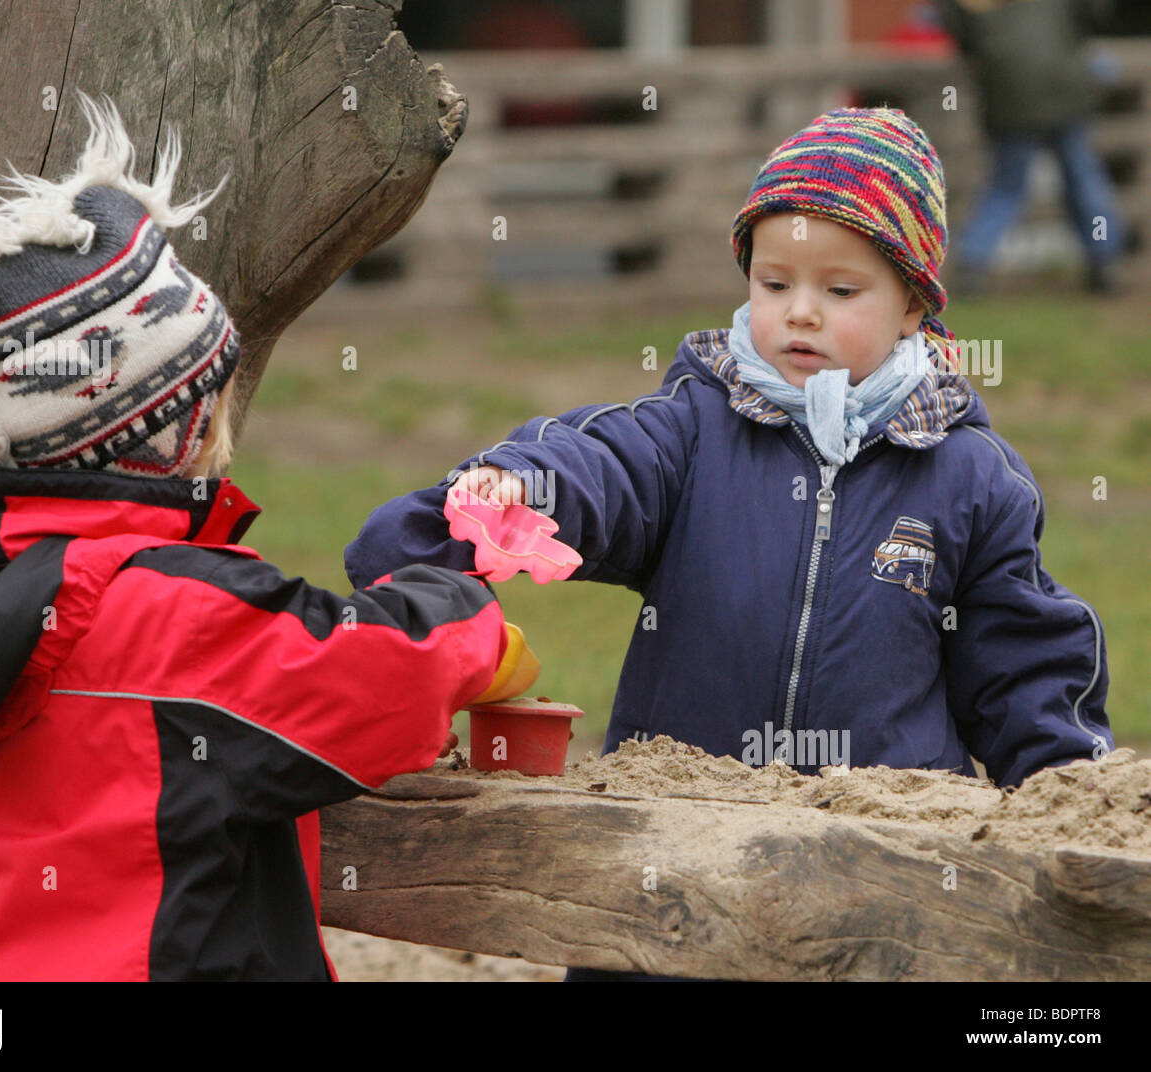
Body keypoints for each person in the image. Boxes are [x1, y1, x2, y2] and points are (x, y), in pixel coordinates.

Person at [344, 106, 1114, 980]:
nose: (801, 314)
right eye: (775, 282)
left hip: (879, 879)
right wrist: (523, 484)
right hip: (671, 871)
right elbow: (603, 461)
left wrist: (1071, 797)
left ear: (912, 306)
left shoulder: (970, 477)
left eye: (841, 290)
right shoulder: (696, 428)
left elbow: (1022, 661)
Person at [0, 96, 532, 981]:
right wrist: (469, 614)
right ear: (170, 430)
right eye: (215, 390)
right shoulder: (173, 612)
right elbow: (386, 680)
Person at [934, 0, 1128, 293]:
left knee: (1006, 186)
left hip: (1009, 94)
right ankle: (1104, 261)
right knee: (1083, 179)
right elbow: (1093, 14)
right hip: (1063, 87)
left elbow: (961, 33)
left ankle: (972, 265)